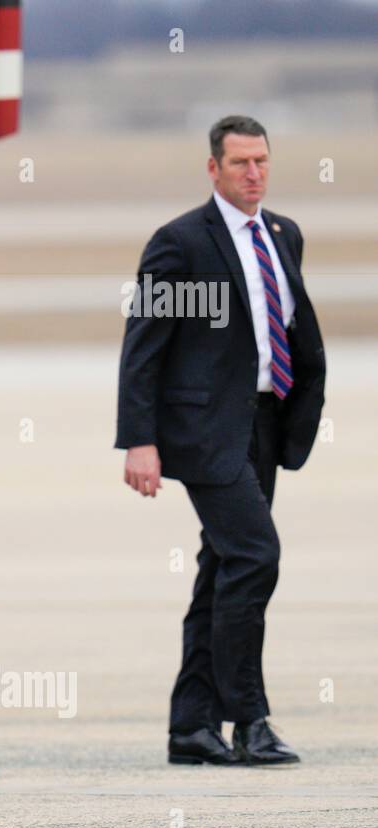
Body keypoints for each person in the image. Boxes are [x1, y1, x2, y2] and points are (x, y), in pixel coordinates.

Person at [115, 116, 326, 767]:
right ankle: (249, 718)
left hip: (265, 423)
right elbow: (144, 346)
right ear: (214, 169)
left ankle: (190, 727)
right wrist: (139, 440)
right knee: (256, 555)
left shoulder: (284, 235)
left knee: (223, 567)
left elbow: (289, 329)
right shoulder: (183, 242)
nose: (254, 173)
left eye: (262, 160)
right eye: (240, 163)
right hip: (206, 433)